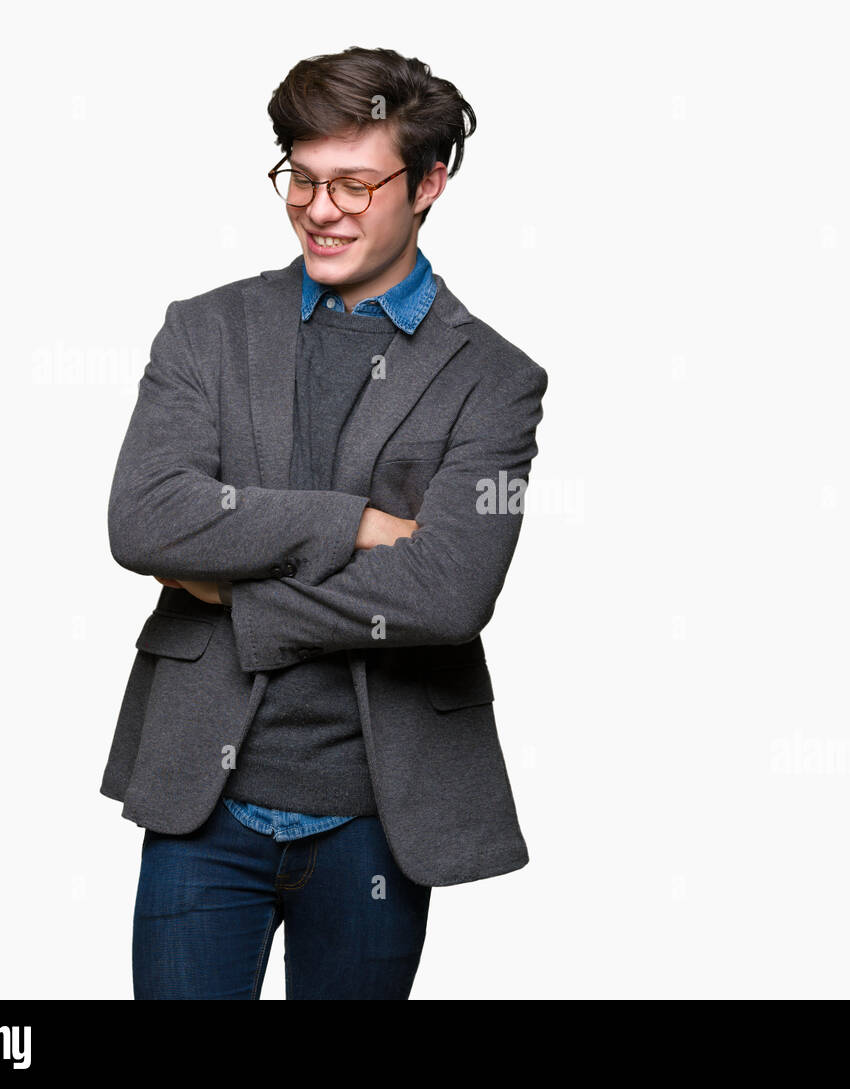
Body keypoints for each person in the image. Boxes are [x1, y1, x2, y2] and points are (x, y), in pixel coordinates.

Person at [100, 46, 548, 1000]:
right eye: (300, 178)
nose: (319, 207)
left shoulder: (496, 381)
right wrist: (355, 524)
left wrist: (239, 595)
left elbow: (449, 592)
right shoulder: (205, 330)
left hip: (378, 817)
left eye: (353, 182)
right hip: (201, 802)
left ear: (429, 183)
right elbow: (145, 520)